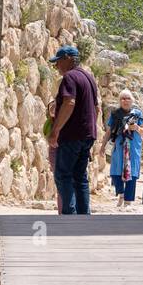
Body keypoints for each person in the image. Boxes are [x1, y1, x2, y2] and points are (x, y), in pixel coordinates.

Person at [48, 44, 99, 215]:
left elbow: (69, 103)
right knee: (80, 177)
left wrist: (55, 130)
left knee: (63, 175)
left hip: (72, 135)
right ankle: (84, 216)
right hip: (87, 134)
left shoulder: (70, 77)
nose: (56, 67)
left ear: (68, 59)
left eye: (58, 62)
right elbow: (96, 108)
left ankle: (69, 216)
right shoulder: (89, 77)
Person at [101, 88, 143, 209]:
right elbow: (109, 131)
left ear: (131, 100)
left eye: (127, 98)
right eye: (122, 98)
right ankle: (121, 193)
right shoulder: (115, 114)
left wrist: (136, 128)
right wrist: (102, 147)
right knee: (116, 172)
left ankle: (128, 201)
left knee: (132, 173)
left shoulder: (138, 114)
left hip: (133, 147)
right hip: (119, 145)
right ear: (119, 101)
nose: (125, 101)